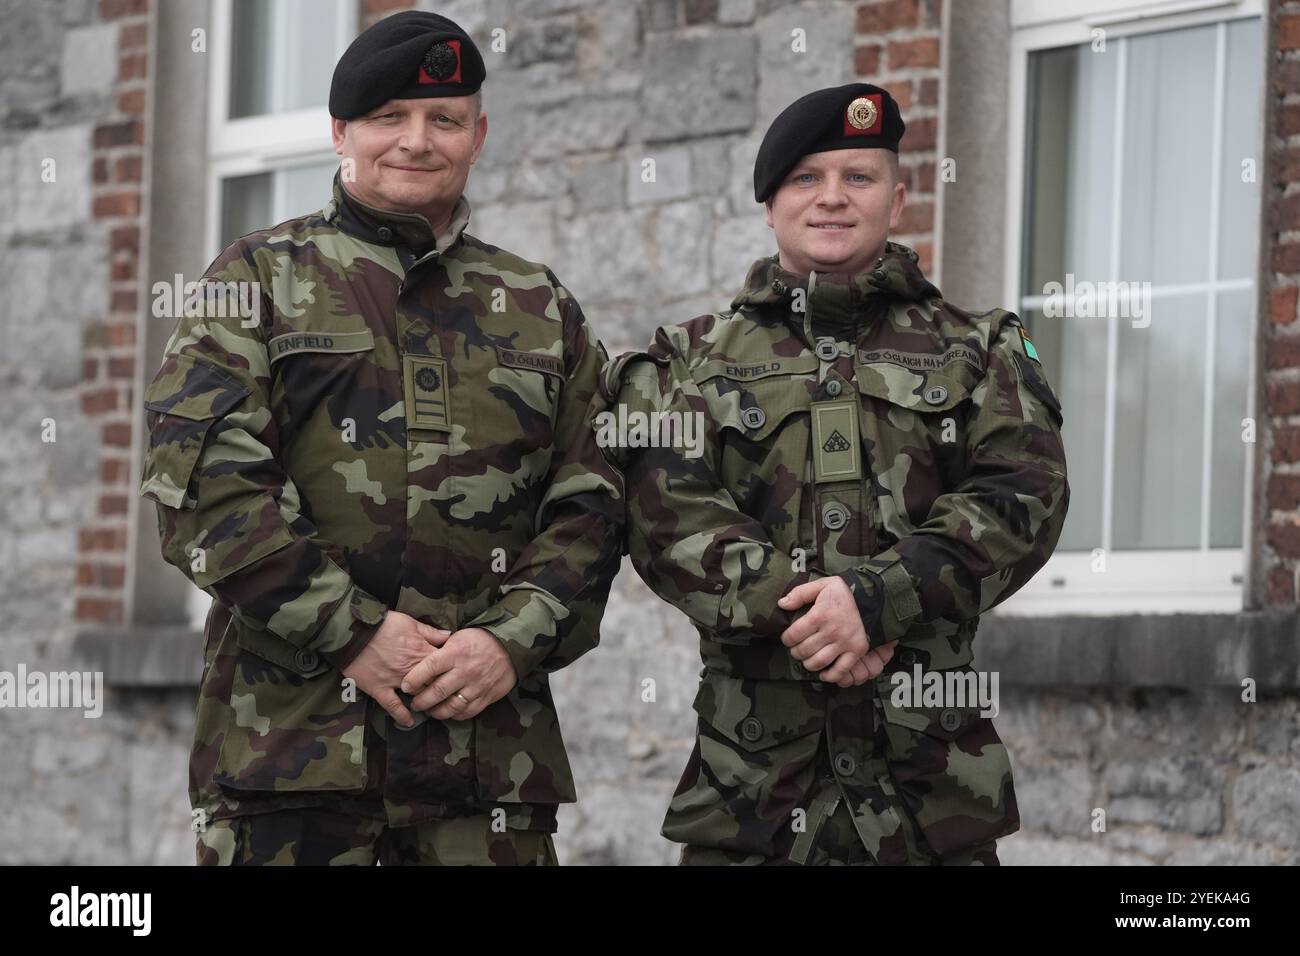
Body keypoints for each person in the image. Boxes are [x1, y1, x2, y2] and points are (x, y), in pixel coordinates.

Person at [139, 10, 621, 866]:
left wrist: (510, 641)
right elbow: (204, 489)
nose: (417, 141)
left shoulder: (541, 306)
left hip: (487, 776)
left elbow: (596, 500)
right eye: (389, 118)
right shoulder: (255, 281)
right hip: (292, 763)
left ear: (479, 136)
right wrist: (353, 632)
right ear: (339, 133)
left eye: (443, 120)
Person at [600, 83, 1069, 865]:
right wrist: (811, 618)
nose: (833, 199)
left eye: (859, 177)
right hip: (750, 795)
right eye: (806, 179)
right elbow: (665, 515)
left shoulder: (981, 349)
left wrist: (879, 599)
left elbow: (1023, 496)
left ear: (898, 195)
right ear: (770, 201)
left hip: (934, 798)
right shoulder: (681, 362)